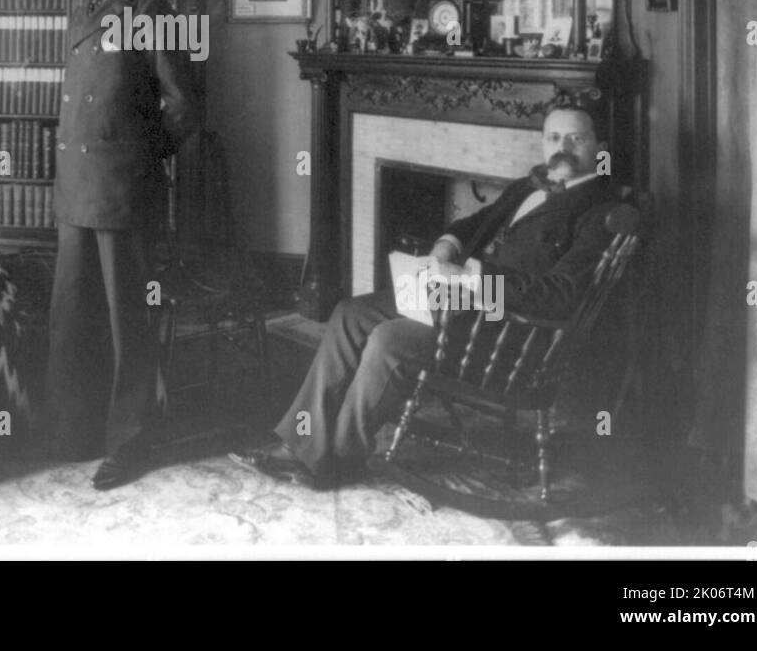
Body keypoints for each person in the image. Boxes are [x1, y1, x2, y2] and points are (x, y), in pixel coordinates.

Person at [231, 106, 615, 488]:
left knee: (390, 339)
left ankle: (334, 459)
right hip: (465, 304)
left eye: (575, 138)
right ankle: (301, 441)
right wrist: (447, 246)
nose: (562, 147)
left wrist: (472, 276)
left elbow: (560, 296)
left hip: (509, 329)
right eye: (553, 138)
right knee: (351, 312)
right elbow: (473, 222)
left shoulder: (601, 211)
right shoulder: (531, 184)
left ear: (599, 146)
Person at [46, 0, 199, 489]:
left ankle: (131, 441)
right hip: (77, 192)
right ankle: (72, 431)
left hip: (123, 190)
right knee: (73, 318)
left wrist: (138, 153)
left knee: (127, 320)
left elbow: (183, 108)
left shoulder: (152, 11)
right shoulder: (84, 10)